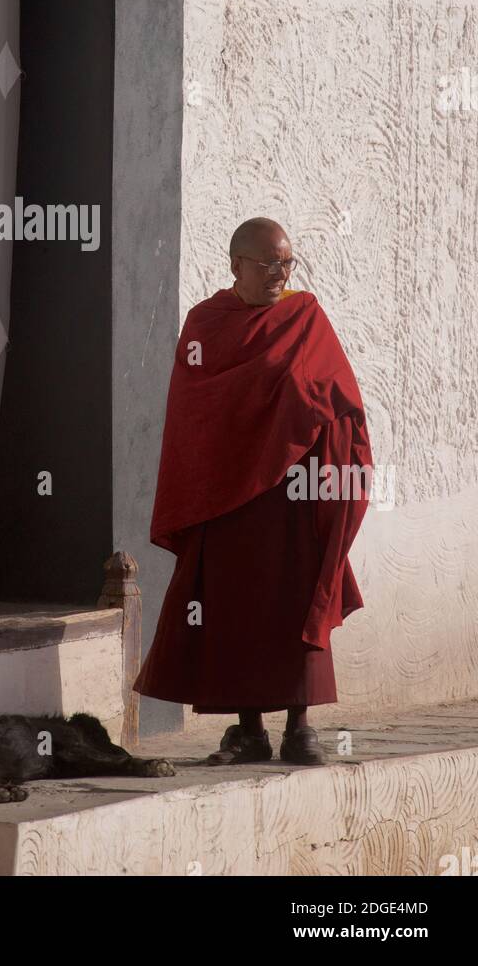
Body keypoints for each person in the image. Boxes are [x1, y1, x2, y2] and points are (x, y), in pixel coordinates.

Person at [132, 218, 372, 765]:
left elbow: (339, 398)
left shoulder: (304, 317)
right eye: (268, 264)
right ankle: (248, 731)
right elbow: (195, 411)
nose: (279, 274)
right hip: (230, 495)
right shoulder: (205, 325)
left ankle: (300, 726)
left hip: (293, 496)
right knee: (234, 606)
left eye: (287, 263)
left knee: (295, 599)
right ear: (236, 264)